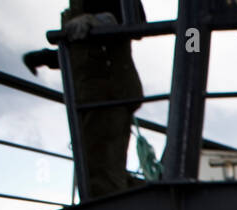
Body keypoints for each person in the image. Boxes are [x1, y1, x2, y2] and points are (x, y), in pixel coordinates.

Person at [22, 0, 146, 199]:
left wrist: (101, 21)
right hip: (90, 98)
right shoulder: (77, 7)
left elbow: (136, 20)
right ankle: (144, 200)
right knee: (95, 171)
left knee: (100, 179)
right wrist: (45, 58)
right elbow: (81, 53)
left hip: (108, 96)